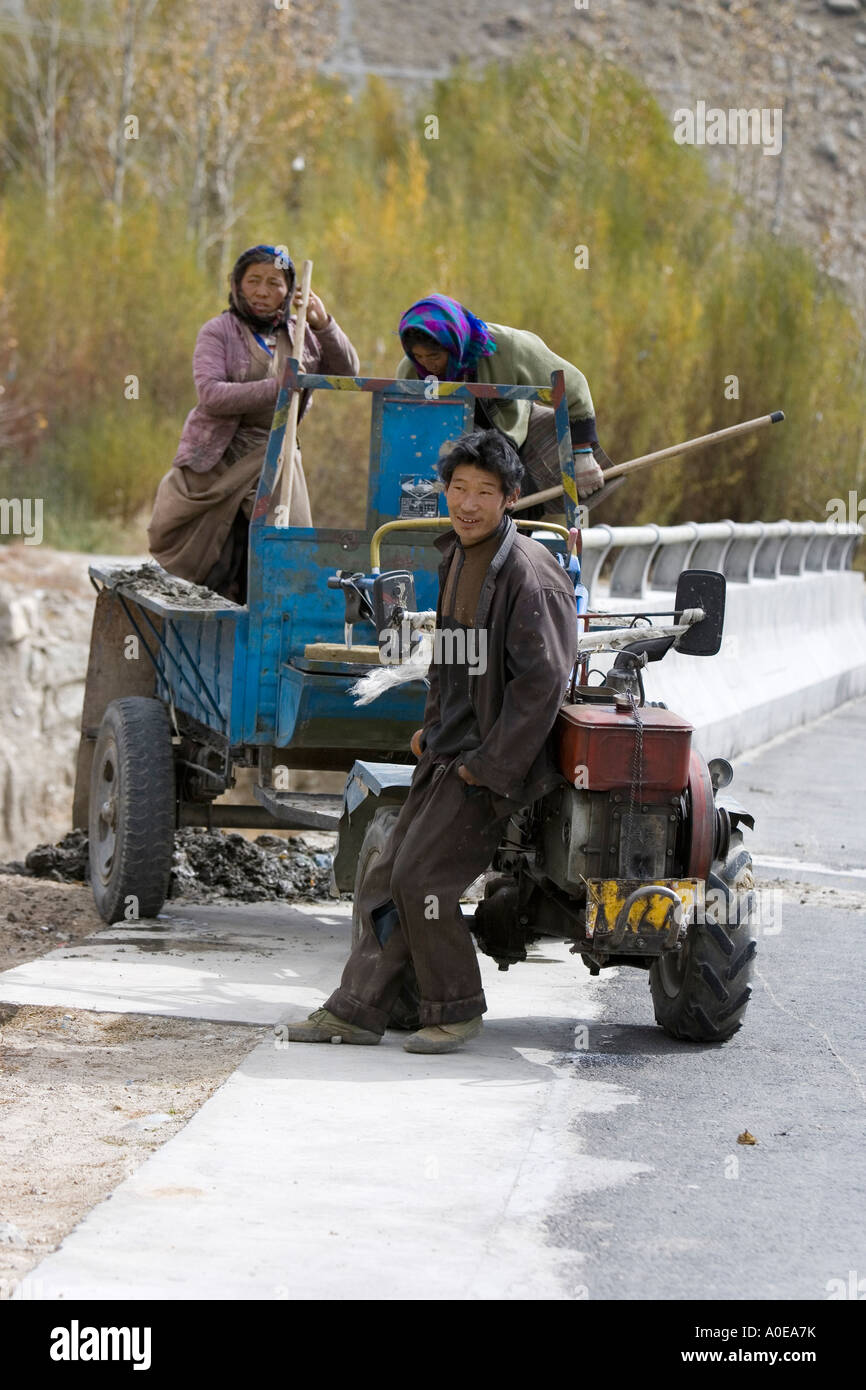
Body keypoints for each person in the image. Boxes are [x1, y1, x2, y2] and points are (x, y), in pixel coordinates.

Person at [286, 428, 578, 1055]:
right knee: (384, 875)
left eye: (485, 492)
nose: (467, 503)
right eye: (458, 488)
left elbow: (542, 685)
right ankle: (357, 1011)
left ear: (510, 499)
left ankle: (456, 1007)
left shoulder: (531, 575)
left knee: (421, 878)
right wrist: (432, 725)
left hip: (495, 763)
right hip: (450, 750)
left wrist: (488, 767)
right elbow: (452, 658)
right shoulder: (456, 557)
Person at [148, 243, 359, 603]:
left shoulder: (301, 334)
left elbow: (346, 373)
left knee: (279, 556)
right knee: (209, 559)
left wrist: (323, 324)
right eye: (254, 281)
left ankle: (266, 634)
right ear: (236, 285)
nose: (262, 291)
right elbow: (211, 394)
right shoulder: (218, 332)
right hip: (219, 457)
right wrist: (275, 388)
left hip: (277, 454)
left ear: (291, 290)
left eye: (275, 283)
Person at [394, 292, 606, 517]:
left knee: (511, 509)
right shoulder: (410, 370)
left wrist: (583, 453)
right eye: (419, 356)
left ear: (454, 344)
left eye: (435, 356)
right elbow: (408, 434)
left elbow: (573, 386)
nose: (427, 364)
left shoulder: (510, 348)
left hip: (505, 446)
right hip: (445, 449)